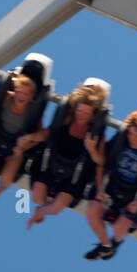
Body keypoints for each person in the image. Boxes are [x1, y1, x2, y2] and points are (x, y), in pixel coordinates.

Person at [0, 55, 53, 205]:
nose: (21, 96)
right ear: (15, 91)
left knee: (6, 179)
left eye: (25, 94)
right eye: (19, 92)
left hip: (15, 146)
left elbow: (43, 135)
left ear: (31, 97)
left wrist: (27, 143)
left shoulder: (32, 111)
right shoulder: (6, 98)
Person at [85, 108, 137, 260]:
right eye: (131, 133)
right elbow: (101, 164)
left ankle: (115, 243)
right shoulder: (120, 142)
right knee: (92, 213)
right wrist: (100, 189)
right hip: (112, 188)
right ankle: (106, 245)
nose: (132, 138)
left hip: (134, 196)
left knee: (120, 227)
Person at [27, 80, 109, 229]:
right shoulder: (67, 118)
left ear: (93, 115)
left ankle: (40, 212)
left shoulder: (96, 133)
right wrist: (29, 137)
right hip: (53, 163)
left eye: (86, 113)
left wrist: (91, 149)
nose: (81, 116)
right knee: (37, 197)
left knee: (57, 208)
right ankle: (41, 210)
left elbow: (100, 161)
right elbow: (47, 134)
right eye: (79, 111)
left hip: (74, 175)